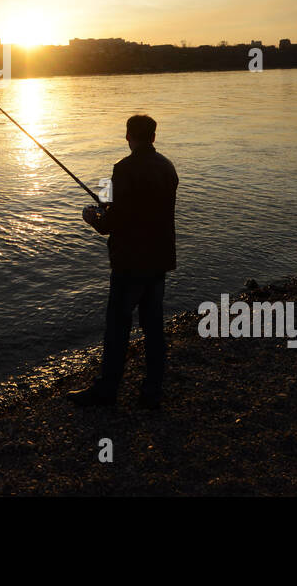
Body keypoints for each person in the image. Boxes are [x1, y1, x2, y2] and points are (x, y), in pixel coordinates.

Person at [70, 114, 178, 409]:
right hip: (159, 260)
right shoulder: (167, 167)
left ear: (128, 136)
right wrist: (111, 205)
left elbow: (110, 223)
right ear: (153, 137)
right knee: (153, 327)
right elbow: (138, 208)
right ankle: (152, 390)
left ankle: (107, 390)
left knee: (117, 327)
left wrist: (92, 216)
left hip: (130, 262)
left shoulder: (122, 168)